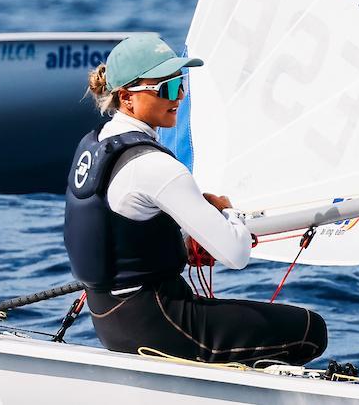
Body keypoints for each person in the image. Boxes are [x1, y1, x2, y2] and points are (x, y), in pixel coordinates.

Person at [64, 34, 327, 367]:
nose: (180, 97)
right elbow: (236, 253)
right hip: (160, 325)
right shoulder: (156, 166)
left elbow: (121, 232)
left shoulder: (94, 145)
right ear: (127, 97)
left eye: (180, 85)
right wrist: (226, 210)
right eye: (167, 90)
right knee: (309, 329)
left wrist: (183, 238)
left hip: (110, 322)